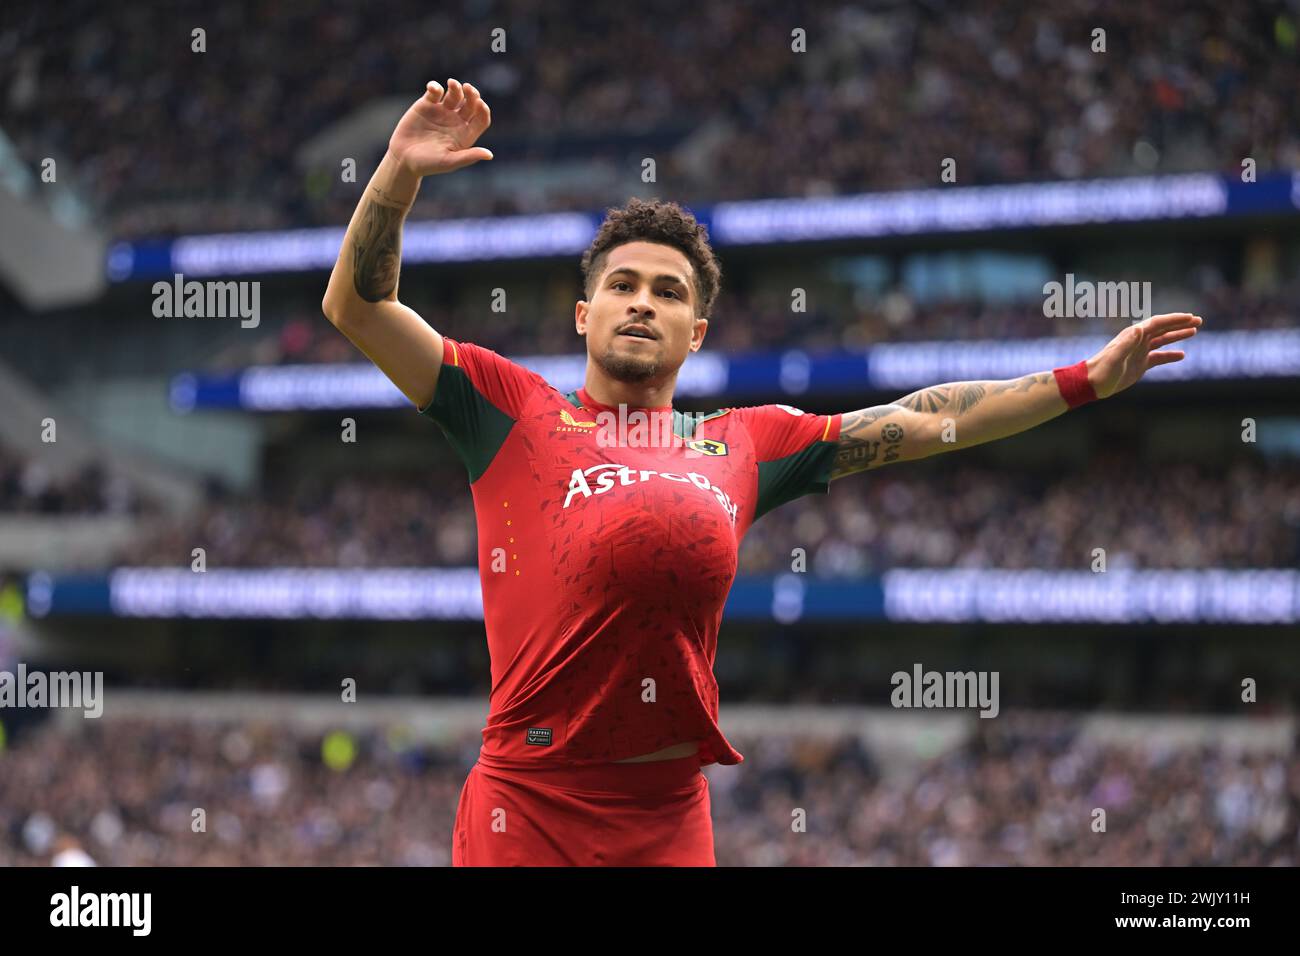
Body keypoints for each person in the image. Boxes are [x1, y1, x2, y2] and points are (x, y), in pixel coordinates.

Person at [322, 78, 1202, 866]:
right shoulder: (508, 409)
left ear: (696, 333)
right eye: (623, 285)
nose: (643, 302)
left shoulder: (747, 444)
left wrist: (1085, 379)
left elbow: (923, 420)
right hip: (530, 806)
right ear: (585, 315)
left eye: (670, 293)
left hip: (667, 816)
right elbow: (358, 305)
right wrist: (398, 171)